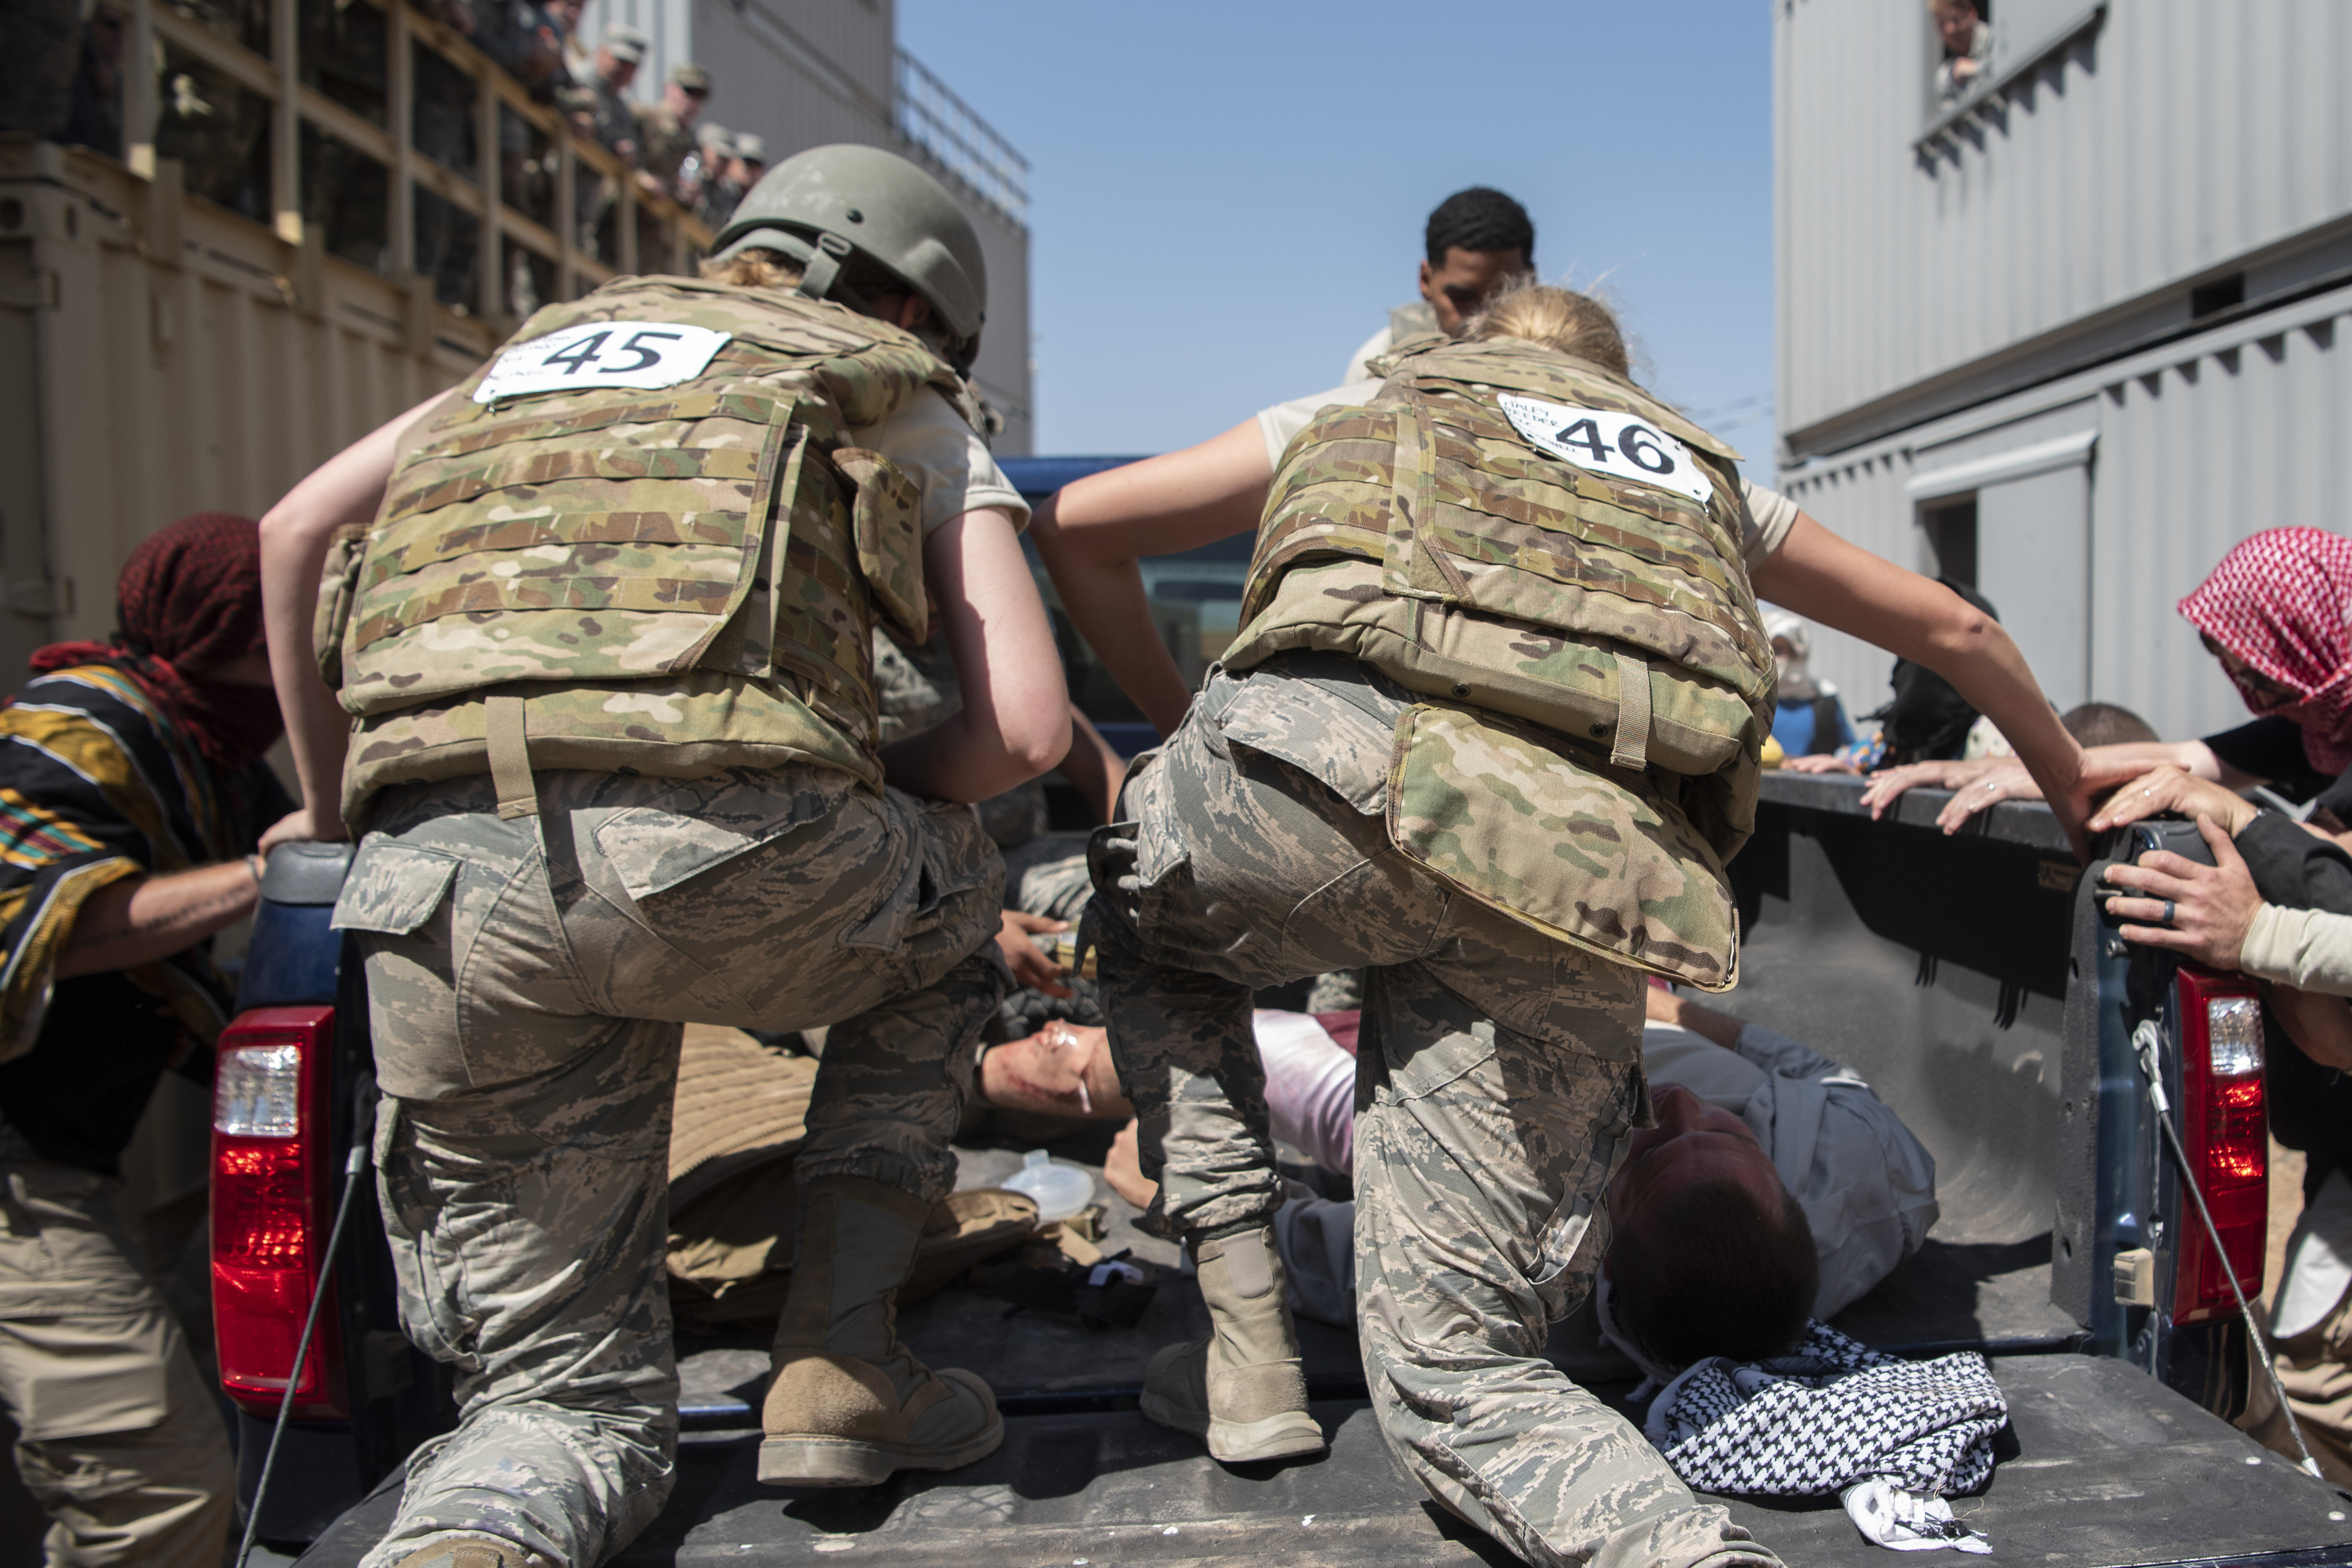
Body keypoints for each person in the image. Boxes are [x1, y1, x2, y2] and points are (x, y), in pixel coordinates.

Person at [1034, 280, 2089, 1567]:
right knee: (1459, 1364)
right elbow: (1956, 627)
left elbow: (1079, 525)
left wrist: (1180, 722)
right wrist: (2071, 795)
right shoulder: (1694, 473)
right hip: (1565, 874)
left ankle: (1243, 1334)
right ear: (1617, 378)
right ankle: (1686, 1555)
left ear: (1473, 345)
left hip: (1314, 791)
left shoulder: (1374, 400)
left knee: (1145, 915)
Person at [260, 144, 1068, 1568]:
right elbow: (1023, 731)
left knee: (559, 1399)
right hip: (731, 862)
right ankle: (842, 1357)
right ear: (919, 307)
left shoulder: (529, 365)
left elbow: (295, 529)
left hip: (439, 893)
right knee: (957, 874)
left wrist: (335, 817)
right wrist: (843, 782)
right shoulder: (882, 380)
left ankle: (485, 1517)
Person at [0, 512, 303, 1567]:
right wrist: (258, 873)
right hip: (20, 1175)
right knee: (162, 1488)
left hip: (77, 1155)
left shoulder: (212, 751)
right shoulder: (75, 725)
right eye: (275, 620)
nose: (297, 644)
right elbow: (41, 923)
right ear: (219, 620)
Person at [1860, 529, 2352, 835]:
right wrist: (2012, 770)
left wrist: (2235, 815)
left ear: (2314, 639)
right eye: (2241, 677)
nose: (2258, 701)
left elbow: (2332, 866)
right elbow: (2185, 758)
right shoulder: (2322, 726)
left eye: (2265, 677)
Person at [1339, 186, 1535, 383]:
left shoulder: (1556, 357)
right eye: (1463, 299)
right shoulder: (1377, 363)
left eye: (1503, 299)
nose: (1484, 319)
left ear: (1532, 282)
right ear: (1426, 280)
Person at [1764, 609, 1855, 758]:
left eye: (1793, 650)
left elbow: (1850, 751)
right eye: (1779, 650)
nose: (1786, 658)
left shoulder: (1825, 700)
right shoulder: (1754, 701)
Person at [633, 61, 711, 205]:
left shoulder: (693, 146)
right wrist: (641, 178)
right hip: (628, 208)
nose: (692, 101)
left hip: (659, 220)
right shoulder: (643, 118)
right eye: (688, 91)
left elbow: (685, 185)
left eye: (700, 96)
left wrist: (692, 196)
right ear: (670, 89)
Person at [1932, 0, 1993, 103]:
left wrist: (1976, 69)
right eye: (1942, 25)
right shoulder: (1946, 75)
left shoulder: (1997, 42)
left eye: (1955, 20)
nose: (1950, 30)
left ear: (1971, 13)